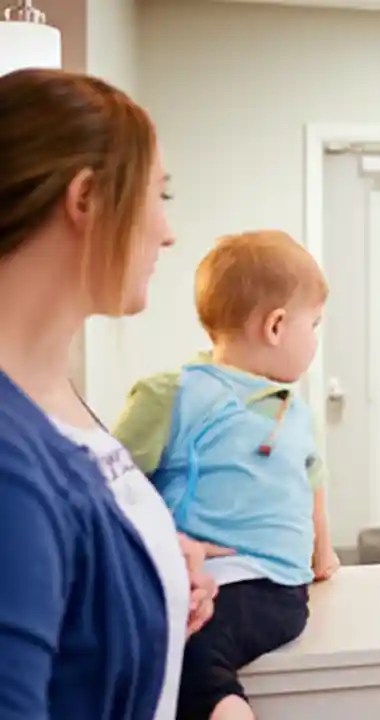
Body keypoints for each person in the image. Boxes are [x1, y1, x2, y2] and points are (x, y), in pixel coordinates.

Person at [0, 68, 217, 719]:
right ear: (87, 198)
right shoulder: (10, 462)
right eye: (160, 194)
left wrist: (149, 577)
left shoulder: (54, 399)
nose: (168, 231)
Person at [112, 230, 339, 720]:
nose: (316, 339)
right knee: (167, 634)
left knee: (199, 644)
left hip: (272, 586)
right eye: (314, 324)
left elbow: (311, 484)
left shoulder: (294, 412)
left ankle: (224, 707)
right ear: (277, 326)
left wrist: (324, 554)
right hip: (202, 579)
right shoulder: (173, 394)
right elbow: (115, 484)